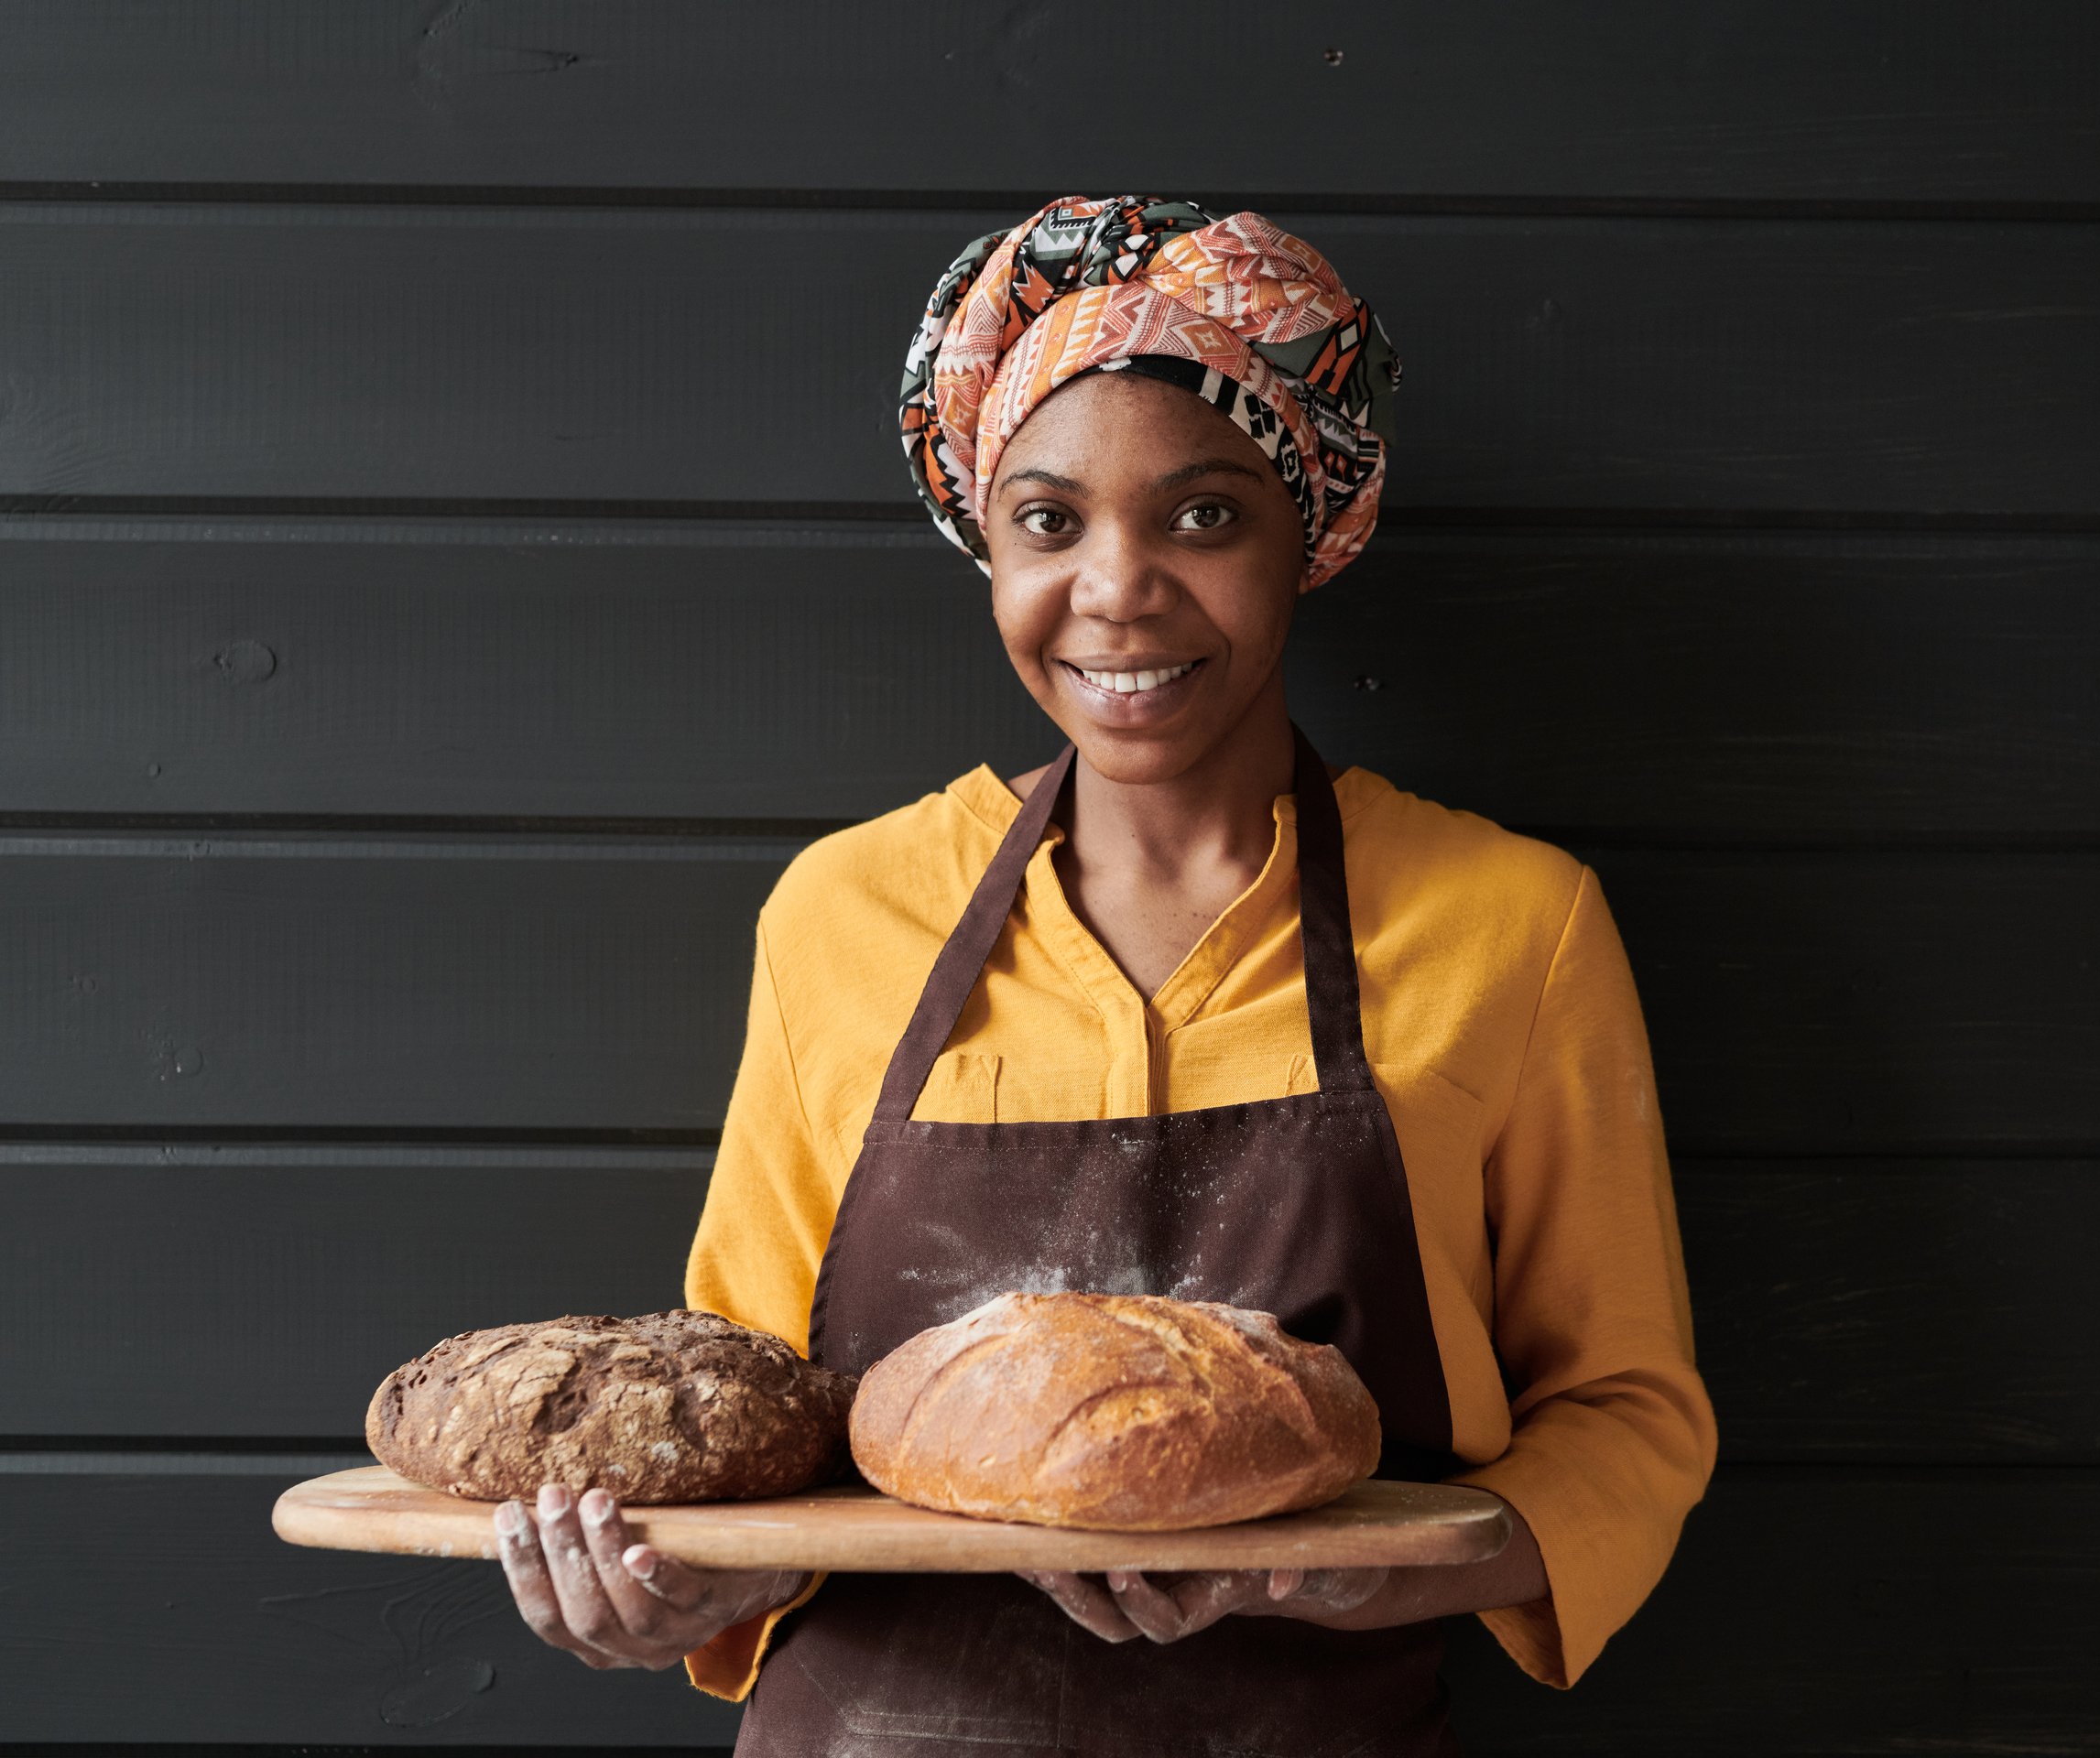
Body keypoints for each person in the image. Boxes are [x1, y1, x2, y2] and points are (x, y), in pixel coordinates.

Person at [487, 194, 1716, 1756]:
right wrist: (674, 1593)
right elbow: (743, 1416)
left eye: (1203, 516)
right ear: (987, 547)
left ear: (1311, 536)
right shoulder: (847, 910)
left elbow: (1629, 1419)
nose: (1118, 589)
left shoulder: (1512, 923)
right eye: (1049, 522)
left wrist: (1369, 1580)